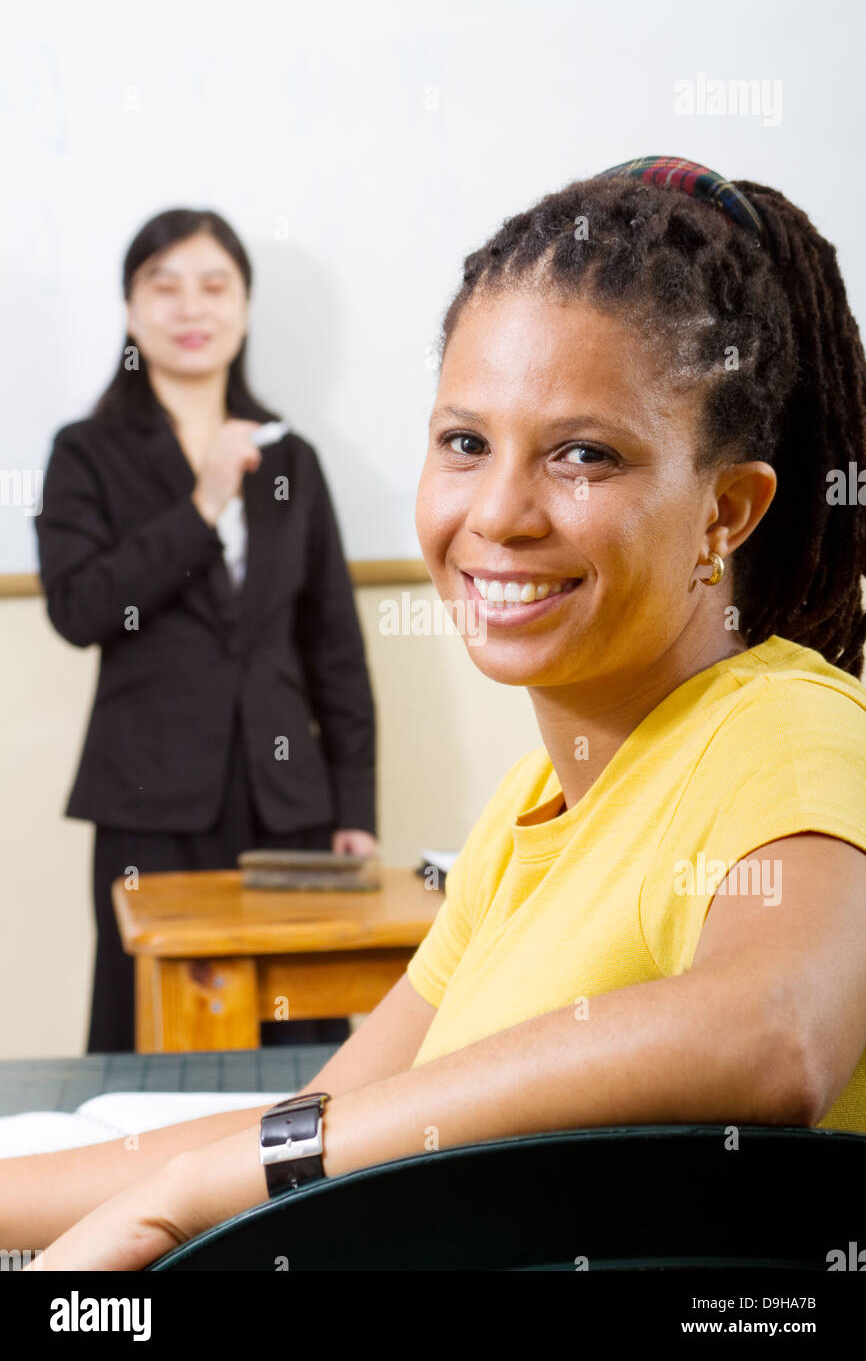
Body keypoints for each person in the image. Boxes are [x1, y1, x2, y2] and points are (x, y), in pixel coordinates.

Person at [10, 156, 866, 1270]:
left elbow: (773, 1031)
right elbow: (304, 1121)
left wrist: (223, 1179)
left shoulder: (789, 725)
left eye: (581, 455)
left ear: (723, 511)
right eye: (464, 442)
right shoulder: (527, 813)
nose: (498, 512)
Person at [34, 208, 378, 1053]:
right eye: (165, 286)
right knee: (146, 1026)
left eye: (215, 286)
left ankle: (301, 1194)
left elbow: (332, 640)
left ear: (245, 308)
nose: (192, 308)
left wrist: (355, 805)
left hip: (285, 797)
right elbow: (79, 608)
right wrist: (203, 503)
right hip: (147, 799)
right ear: (130, 309)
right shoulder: (86, 450)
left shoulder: (291, 457)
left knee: (299, 1039)